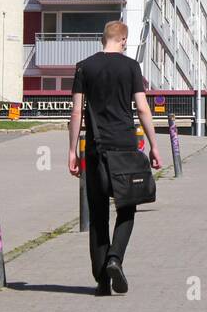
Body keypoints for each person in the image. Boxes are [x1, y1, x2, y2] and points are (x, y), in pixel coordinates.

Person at [67, 21, 161, 296]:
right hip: (125, 147)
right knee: (127, 206)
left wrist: (72, 150)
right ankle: (114, 259)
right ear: (123, 40)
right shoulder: (130, 67)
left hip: (95, 149)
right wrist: (154, 145)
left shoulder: (84, 67)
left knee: (97, 215)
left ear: (103, 39)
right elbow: (142, 109)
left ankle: (101, 282)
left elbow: (76, 112)